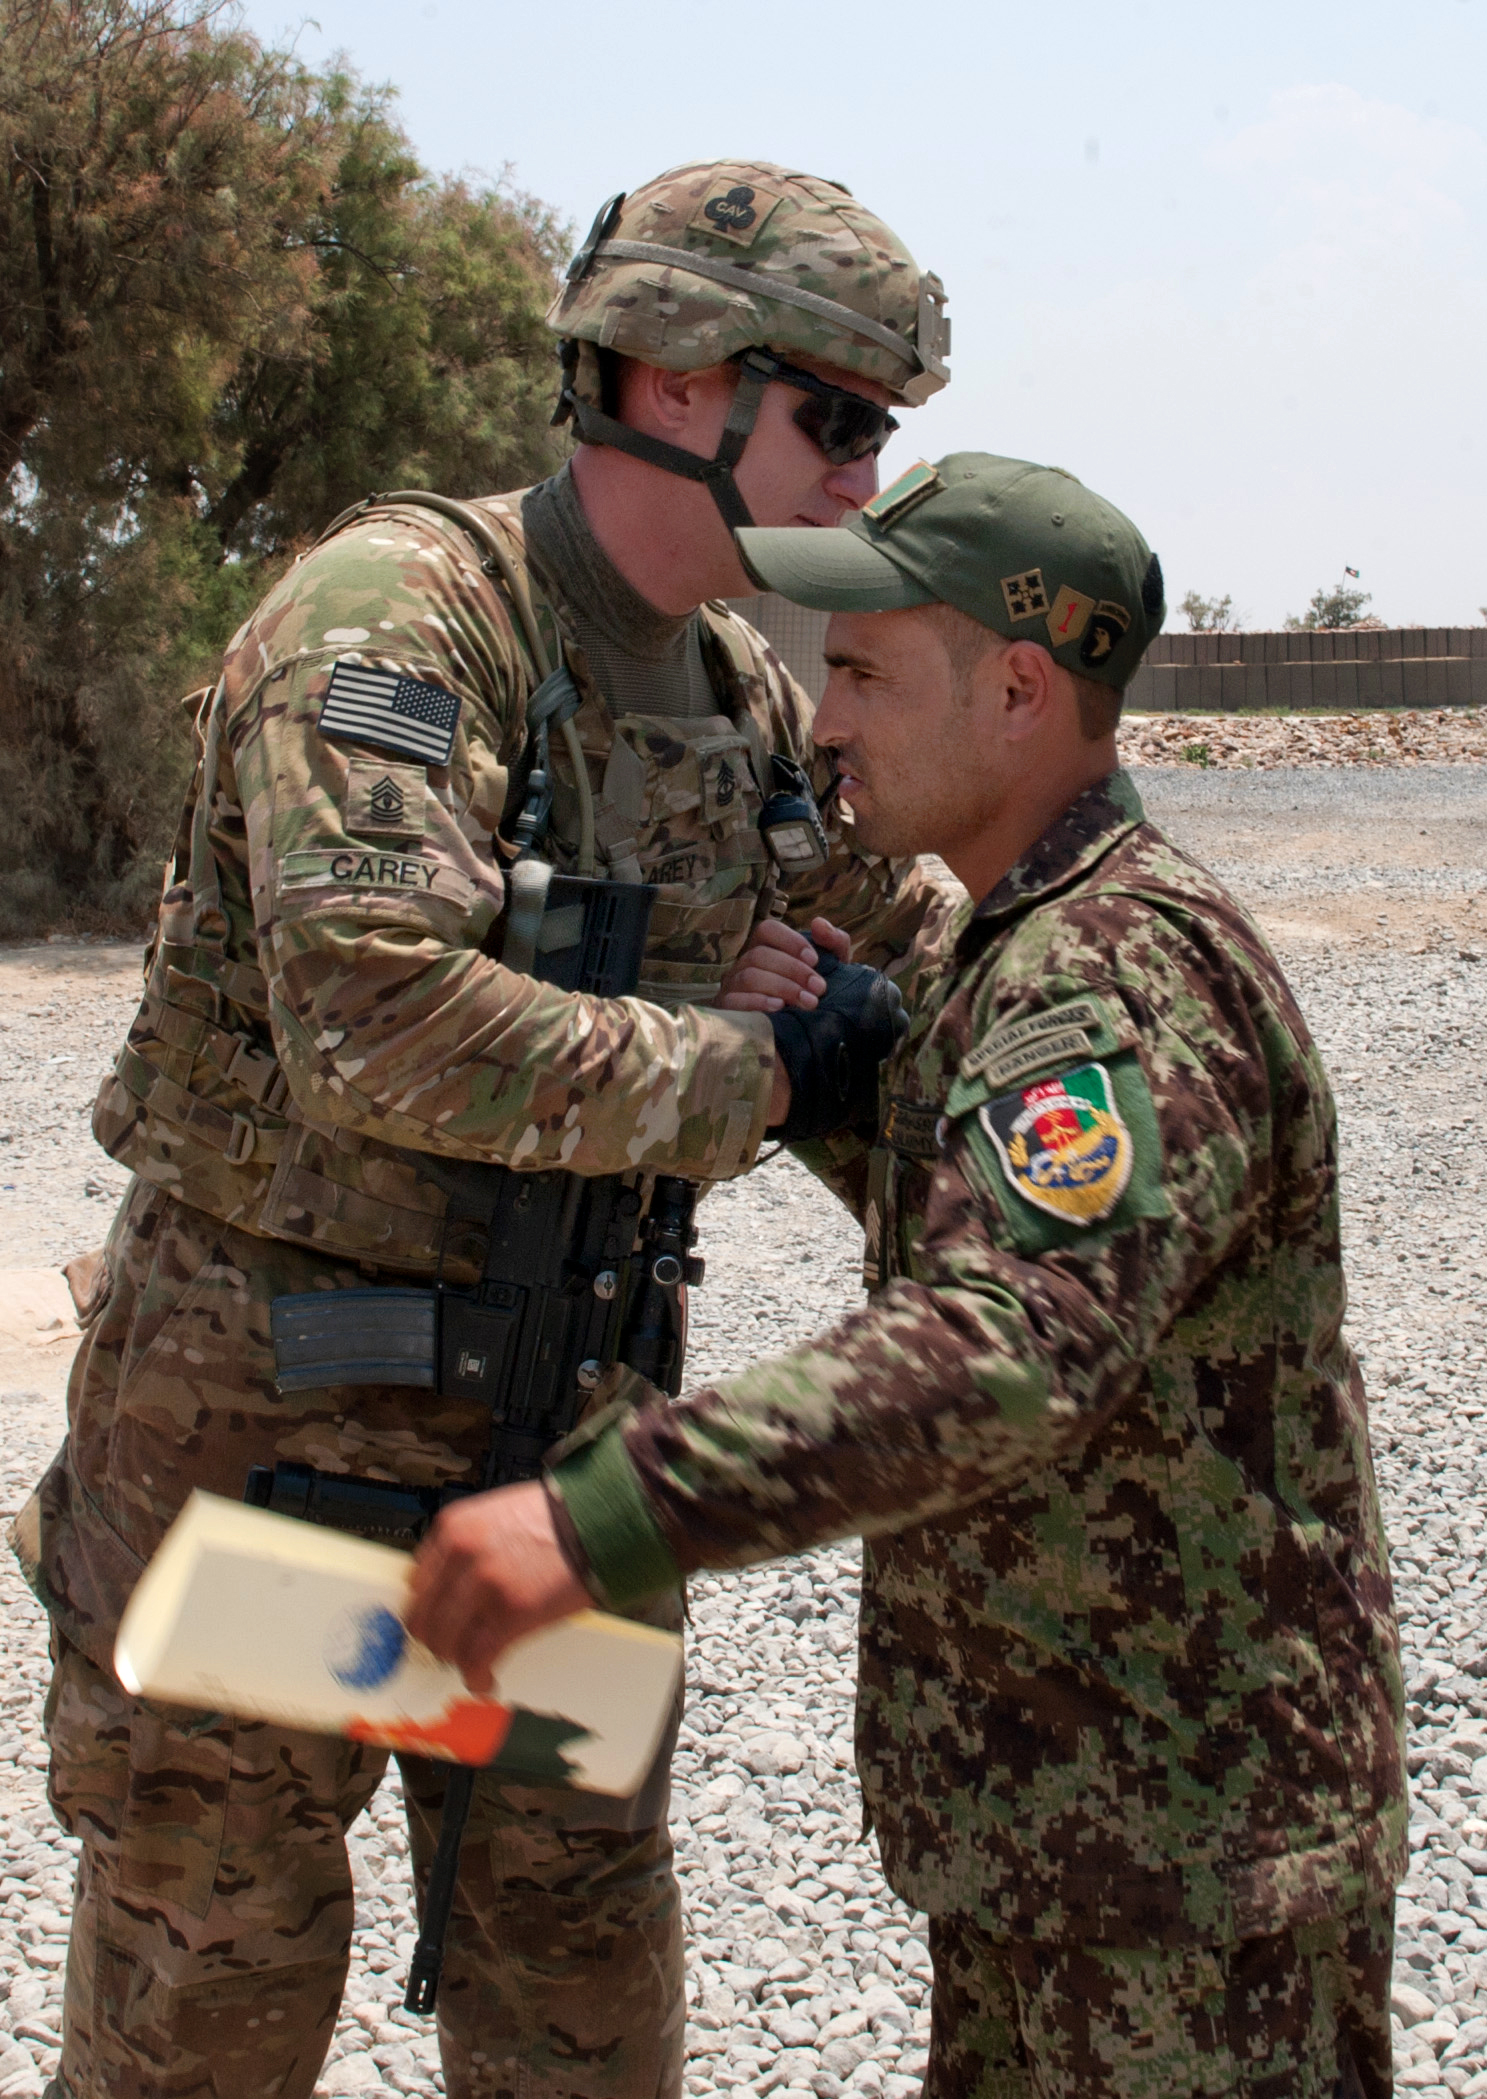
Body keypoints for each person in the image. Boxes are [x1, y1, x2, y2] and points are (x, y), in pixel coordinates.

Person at [15, 161, 951, 2099]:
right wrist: (757, 1073)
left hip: (546, 1462)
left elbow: (913, 948)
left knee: (577, 1991)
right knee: (217, 1978)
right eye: (841, 421)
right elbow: (378, 1023)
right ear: (681, 382)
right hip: (275, 1447)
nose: (866, 476)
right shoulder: (401, 620)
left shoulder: (728, 696)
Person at [408, 453, 1408, 2099]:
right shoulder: (1016, 948)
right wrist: (837, 1075)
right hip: (1071, 1850)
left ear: (1021, 691)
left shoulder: (1116, 976)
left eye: (865, 671)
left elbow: (1005, 1346)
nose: (825, 721)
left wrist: (603, 1513)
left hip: (1183, 1877)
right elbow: (995, 1218)